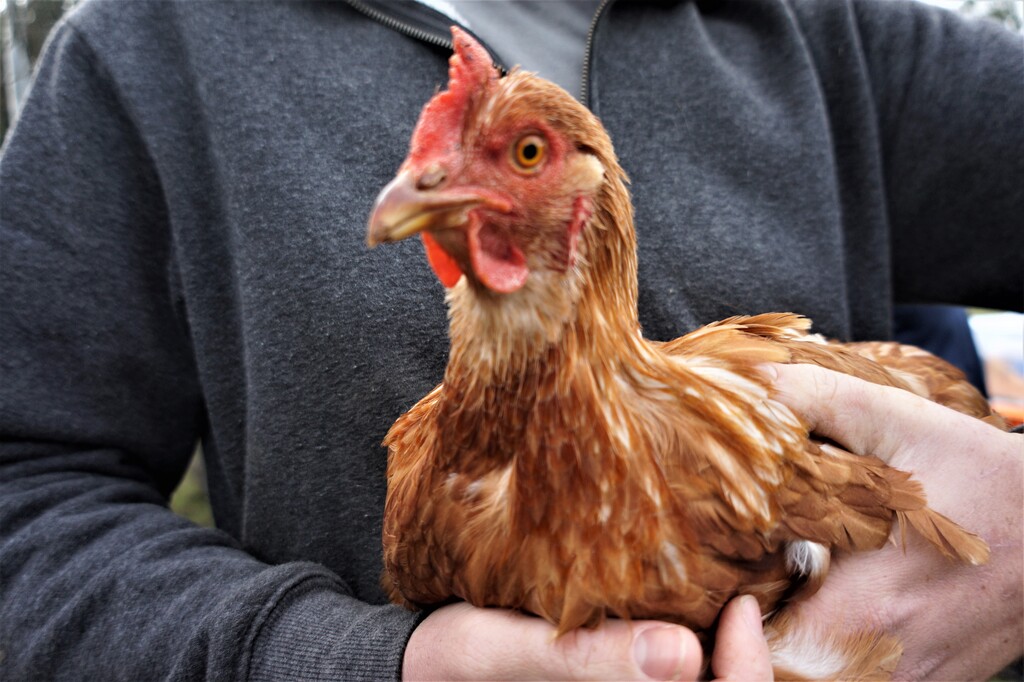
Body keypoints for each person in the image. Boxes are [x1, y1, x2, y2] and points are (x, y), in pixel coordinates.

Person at [0, 0, 1020, 680]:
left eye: (524, 153)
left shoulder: (813, 25)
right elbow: (25, 488)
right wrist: (351, 661)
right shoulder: (150, 45)